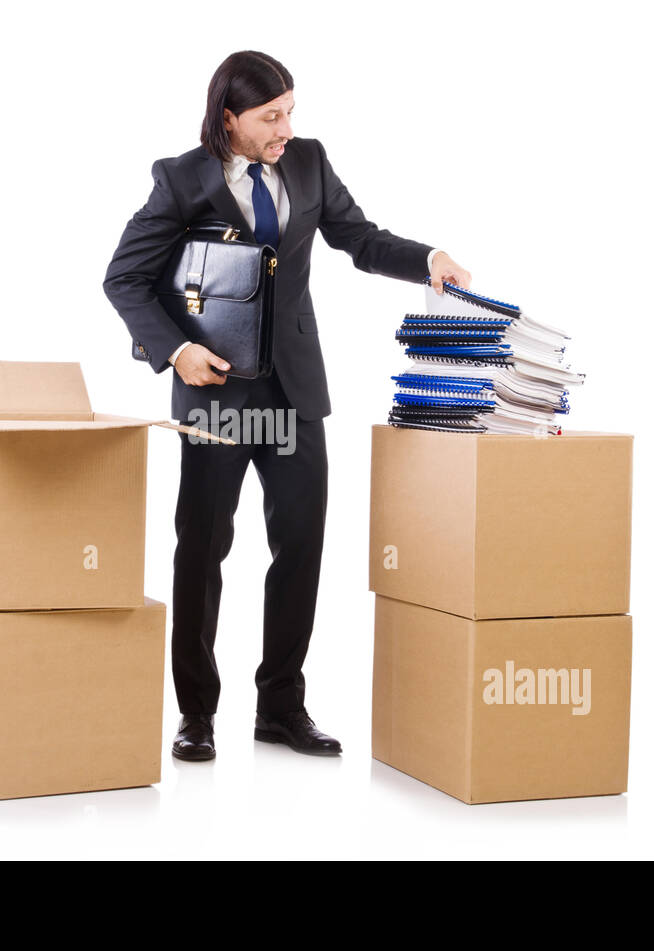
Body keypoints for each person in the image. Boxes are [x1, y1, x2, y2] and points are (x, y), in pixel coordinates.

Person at [103, 50, 471, 762]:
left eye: (291, 111)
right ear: (229, 118)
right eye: (271, 117)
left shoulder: (307, 162)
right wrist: (176, 352)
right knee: (204, 547)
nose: (285, 128)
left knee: (300, 545)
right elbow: (125, 277)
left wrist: (428, 259)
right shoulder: (181, 180)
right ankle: (197, 714)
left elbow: (359, 238)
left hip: (294, 390)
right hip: (218, 393)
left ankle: (280, 707)